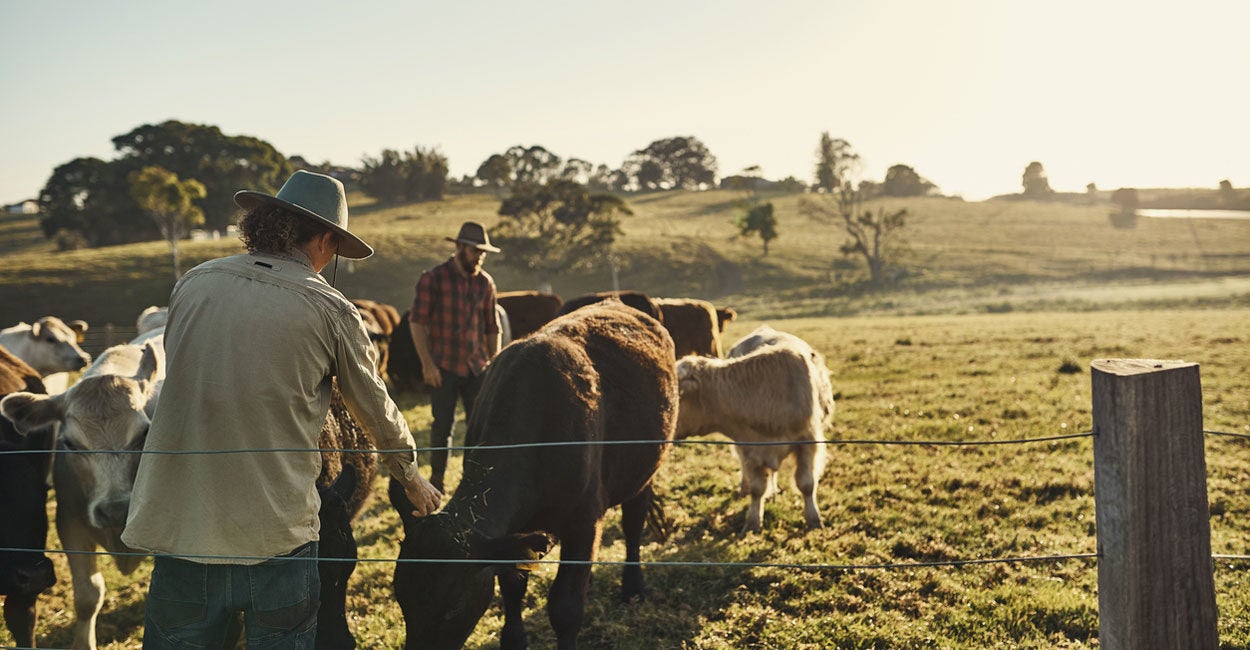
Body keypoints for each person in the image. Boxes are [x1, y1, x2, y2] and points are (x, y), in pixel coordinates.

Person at [122, 170, 442, 648]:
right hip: (276, 536)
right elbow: (374, 406)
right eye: (334, 248)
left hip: (181, 529)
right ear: (326, 239)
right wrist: (410, 476)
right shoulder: (330, 308)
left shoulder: (193, 283)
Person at [409, 221, 502, 492]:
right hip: (443, 366)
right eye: (475, 251)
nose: (480, 257)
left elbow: (492, 327)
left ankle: (472, 482)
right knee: (442, 427)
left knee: (478, 427)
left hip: (476, 368)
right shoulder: (434, 278)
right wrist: (427, 364)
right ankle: (437, 481)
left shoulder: (485, 283)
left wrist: (495, 366)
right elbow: (417, 322)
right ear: (460, 247)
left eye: (483, 252)